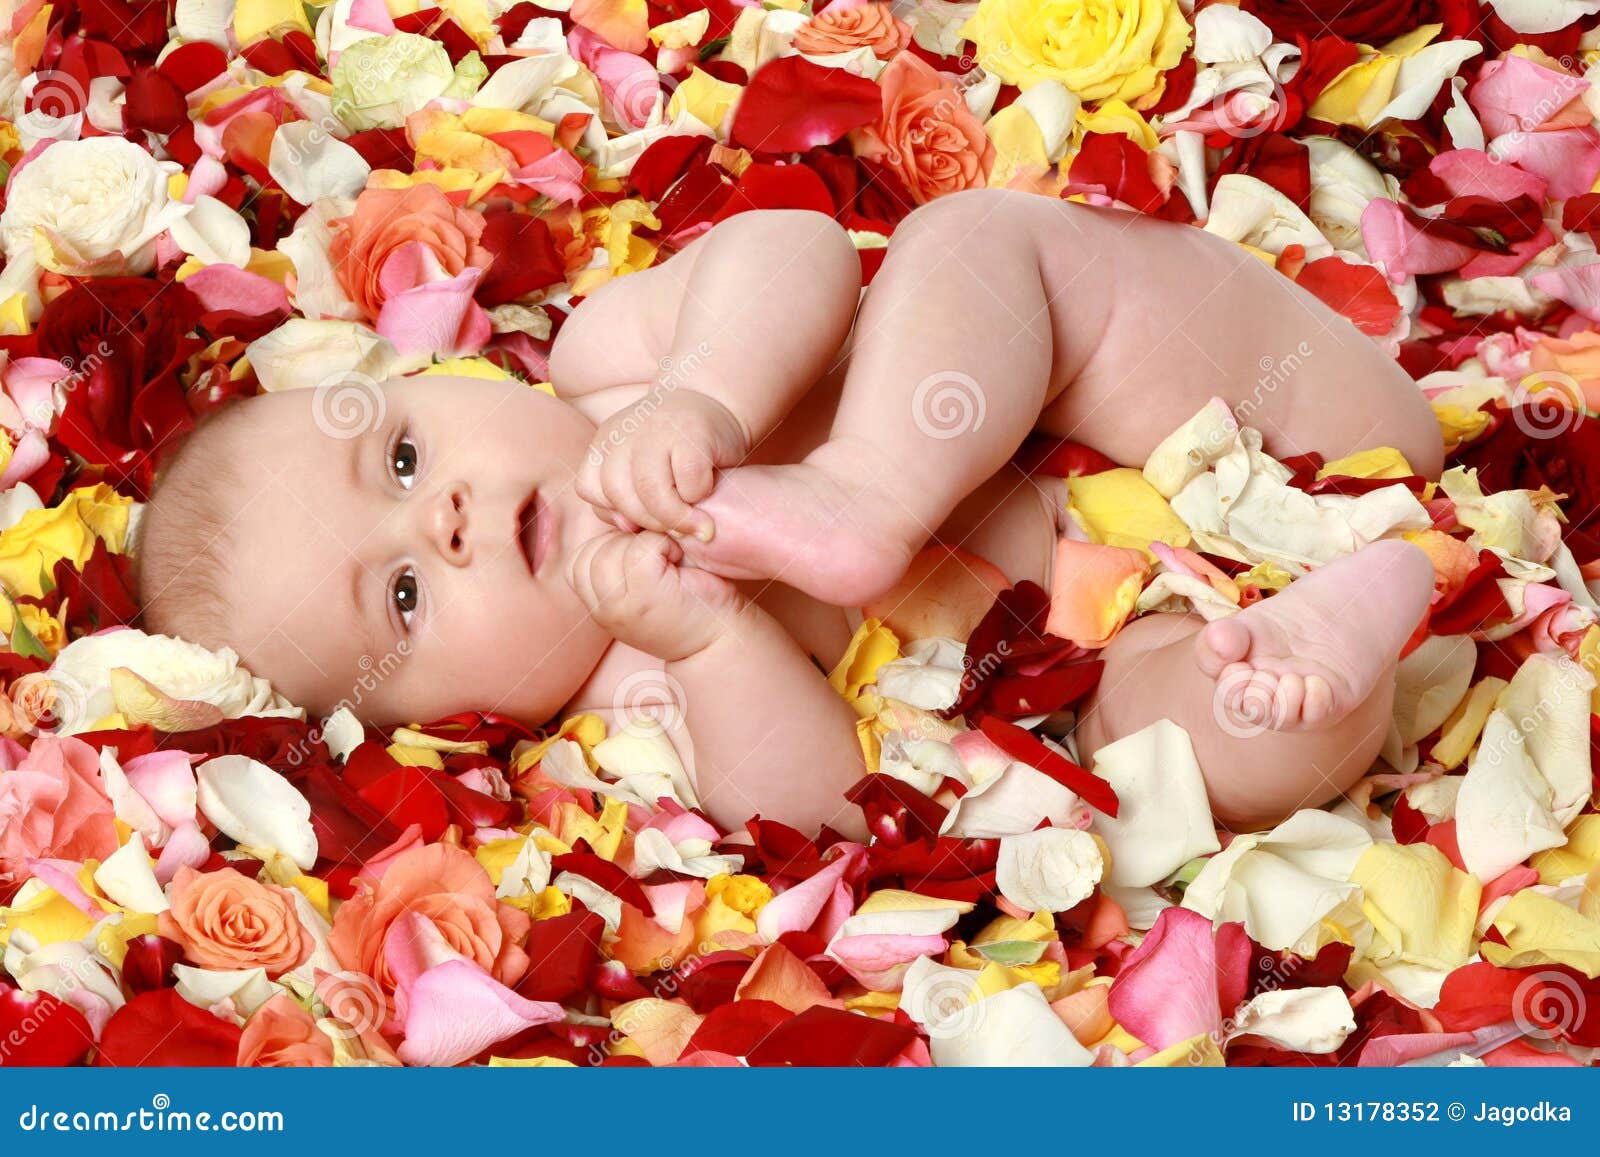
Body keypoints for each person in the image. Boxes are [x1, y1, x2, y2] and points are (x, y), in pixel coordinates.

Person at [136, 190, 1444, 837]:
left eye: (408, 460)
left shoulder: (611, 366)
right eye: (406, 598)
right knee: (1214, 746)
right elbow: (823, 807)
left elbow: (796, 244)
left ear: (429, 380)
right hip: (1114, 650)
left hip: (1199, 428)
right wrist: (717, 645)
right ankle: (1346, 635)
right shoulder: (626, 714)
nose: (452, 521)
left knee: (976, 243)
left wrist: (701, 398)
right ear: (445, 729)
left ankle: (868, 489)